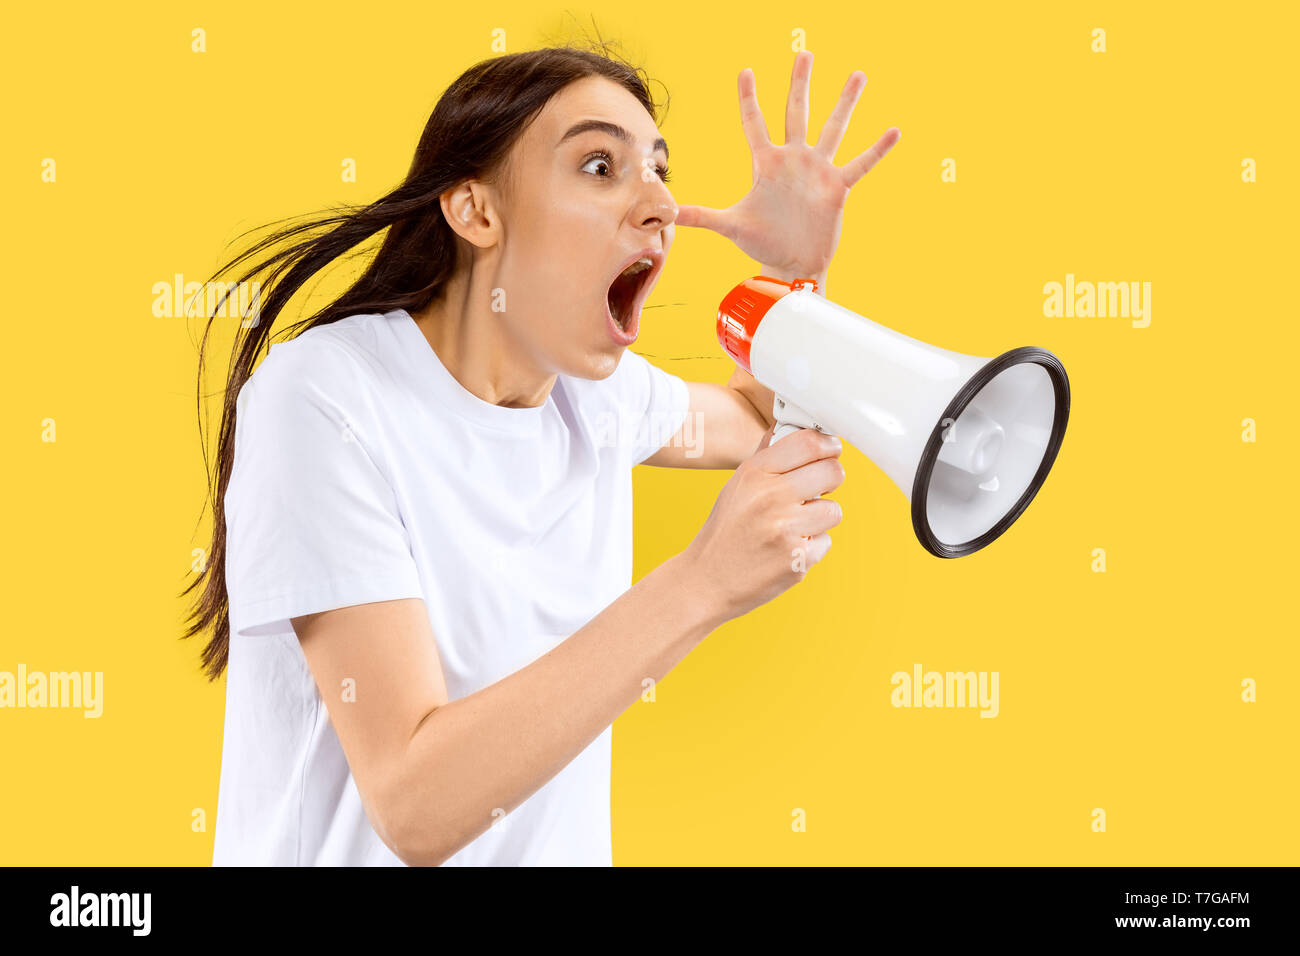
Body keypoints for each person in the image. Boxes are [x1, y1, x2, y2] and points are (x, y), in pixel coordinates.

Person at [181, 41, 899, 866]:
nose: (660, 201)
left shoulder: (595, 395)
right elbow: (414, 807)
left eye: (659, 170)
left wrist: (791, 273)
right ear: (475, 211)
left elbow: (751, 415)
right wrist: (703, 583)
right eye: (601, 165)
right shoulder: (327, 396)